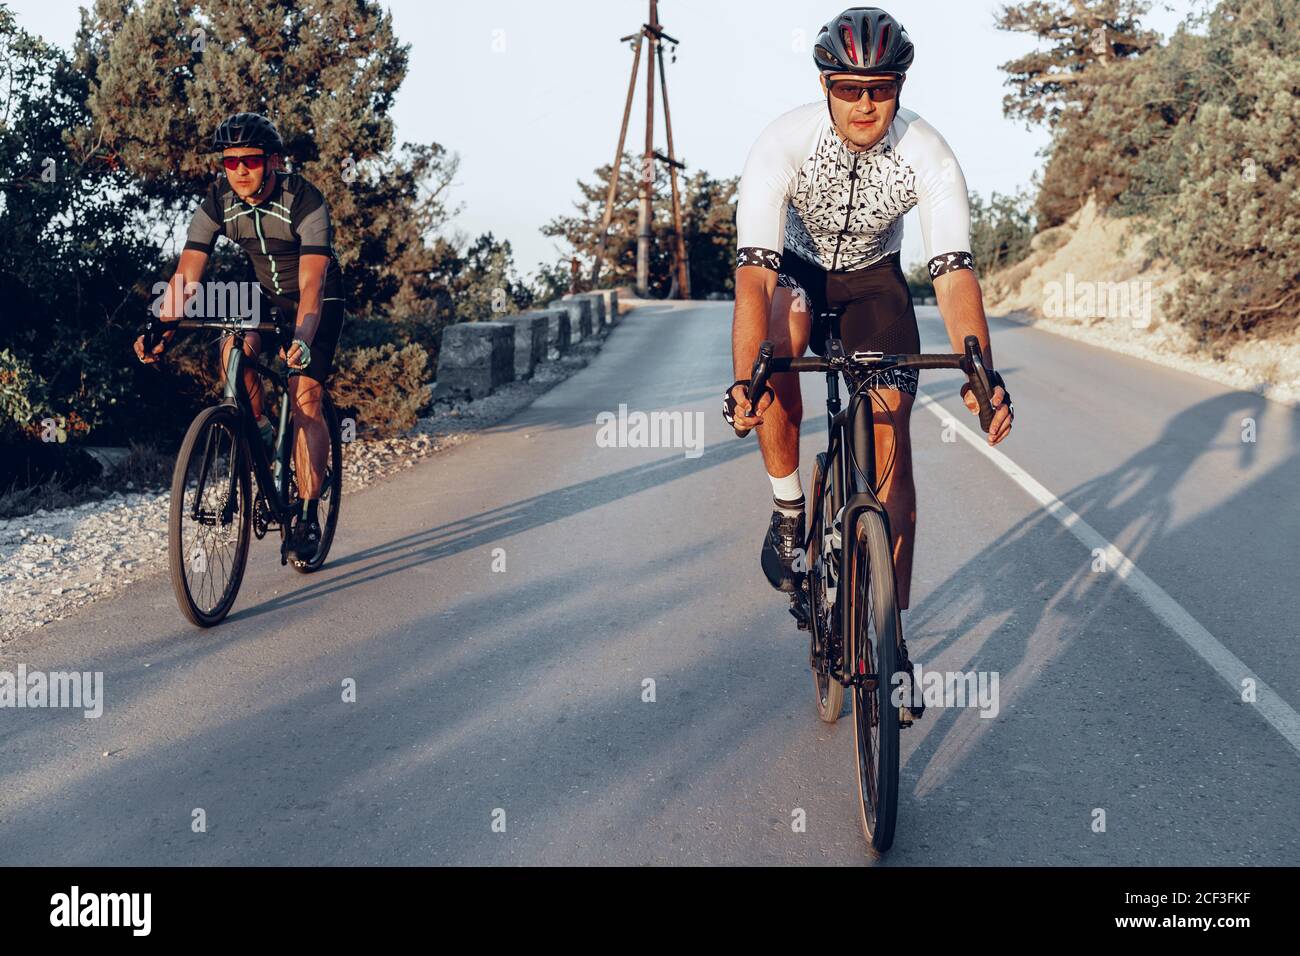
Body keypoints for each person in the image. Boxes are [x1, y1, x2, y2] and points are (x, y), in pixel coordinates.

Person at [724, 7, 1015, 717]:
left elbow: (951, 273)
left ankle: (892, 640)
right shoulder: (781, 144)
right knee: (780, 353)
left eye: (879, 89)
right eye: (850, 88)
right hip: (795, 272)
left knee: (892, 429)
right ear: (826, 85)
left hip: (874, 280)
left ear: (899, 85)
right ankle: (792, 511)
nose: (864, 104)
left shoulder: (928, 152)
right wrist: (746, 377)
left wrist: (982, 373)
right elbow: (755, 279)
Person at [135, 112, 346, 559]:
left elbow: (312, 285)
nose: (241, 171)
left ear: (273, 161)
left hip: (316, 303)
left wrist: (303, 340)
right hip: (263, 297)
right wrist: (160, 325)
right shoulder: (217, 203)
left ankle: (307, 516)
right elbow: (186, 276)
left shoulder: (305, 200)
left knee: (304, 394)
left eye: (250, 161)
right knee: (233, 351)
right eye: (230, 163)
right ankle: (264, 430)